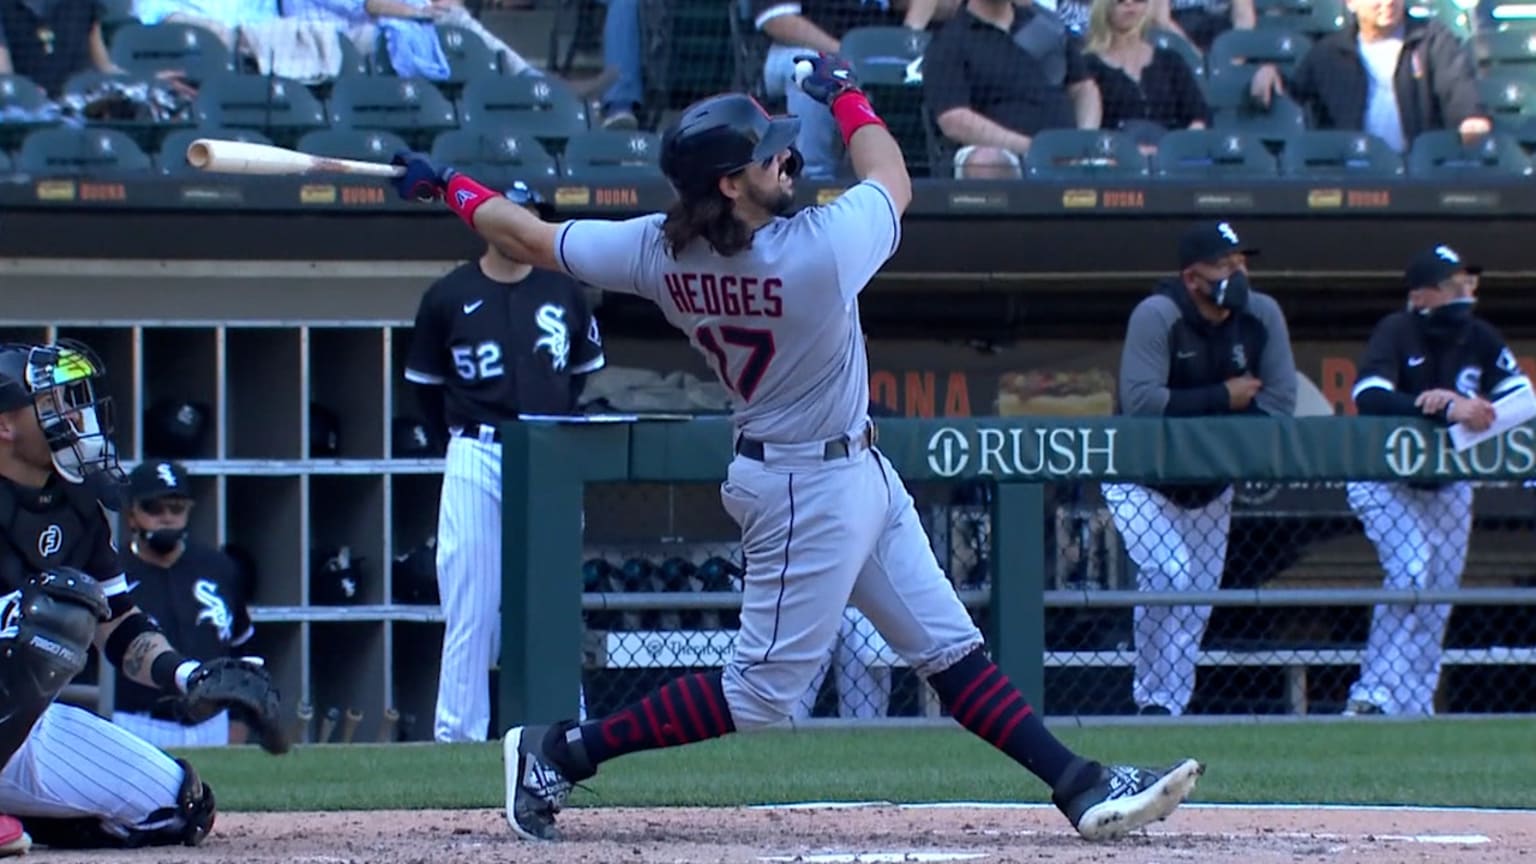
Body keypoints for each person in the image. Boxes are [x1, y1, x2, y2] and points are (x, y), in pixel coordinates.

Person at [388, 53, 1204, 844]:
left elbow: (528, 238)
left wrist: (449, 189)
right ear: (729, 183)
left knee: (947, 647)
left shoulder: (656, 250)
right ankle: (556, 754)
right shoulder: (815, 250)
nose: (786, 154)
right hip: (800, 486)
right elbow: (894, 180)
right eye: (766, 152)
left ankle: (1079, 783)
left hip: (851, 472)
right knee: (759, 693)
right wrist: (850, 98)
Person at [0, 339, 278, 850]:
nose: (73, 415)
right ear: (4, 425)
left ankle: (19, 816)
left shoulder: (76, 504)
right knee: (49, 616)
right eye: (52, 404)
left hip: (20, 731)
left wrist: (188, 675)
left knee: (178, 807)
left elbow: (118, 624)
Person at [403, 182, 606, 744]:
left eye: (533, 216)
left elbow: (578, 376)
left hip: (549, 453)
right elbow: (425, 389)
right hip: (476, 448)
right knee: (471, 604)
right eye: (514, 214)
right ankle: (458, 740)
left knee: (554, 604)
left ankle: (567, 732)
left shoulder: (564, 292)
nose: (523, 225)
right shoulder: (448, 295)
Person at [1102, 221, 1297, 716]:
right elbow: (1142, 401)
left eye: (1242, 262)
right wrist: (1224, 398)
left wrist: (1195, 408)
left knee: (1195, 600)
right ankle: (1151, 698)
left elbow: (1279, 402)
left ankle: (1168, 706)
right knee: (1169, 575)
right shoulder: (1159, 313)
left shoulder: (1261, 314)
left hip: (1210, 484)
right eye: (1226, 264)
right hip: (1140, 477)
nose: (1239, 272)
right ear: (1193, 277)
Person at [1343, 244, 1525, 716]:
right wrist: (1440, 405)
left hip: (1448, 483)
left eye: (1470, 284)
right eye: (1453, 287)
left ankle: (1414, 704)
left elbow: (1521, 396)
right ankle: (1373, 694)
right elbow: (1370, 395)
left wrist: (1478, 412)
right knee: (1410, 569)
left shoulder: (1481, 336)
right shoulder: (1396, 330)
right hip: (1382, 478)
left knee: (1438, 594)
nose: (1466, 295)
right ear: (1423, 296)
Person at [110, 460, 256, 749]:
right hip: (134, 724)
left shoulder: (219, 567)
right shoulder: (112, 572)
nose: (166, 517)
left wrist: (240, 719)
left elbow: (242, 647)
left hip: (211, 724)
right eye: (153, 507)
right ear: (131, 514)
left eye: (176, 508)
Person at [1247, 0, 1489, 155]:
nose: (1389, 2)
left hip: (1416, 172)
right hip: (1355, 171)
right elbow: (1297, 93)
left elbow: (1457, 87)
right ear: (1351, 3)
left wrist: (1470, 117)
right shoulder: (1329, 52)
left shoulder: (1431, 39)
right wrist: (1271, 72)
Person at [922, 0, 1103, 178]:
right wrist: (1034, 149)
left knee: (1120, 160)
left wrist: (1083, 141)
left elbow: (1084, 88)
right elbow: (953, 119)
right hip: (1005, 153)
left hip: (1068, 150)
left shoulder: (1047, 27)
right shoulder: (949, 42)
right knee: (986, 163)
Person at [1081, 0, 1207, 148]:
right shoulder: (1088, 65)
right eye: (1120, 0)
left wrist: (1175, 148)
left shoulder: (1170, 60)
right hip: (1118, 157)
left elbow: (1198, 116)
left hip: (1171, 157)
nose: (1129, 3)